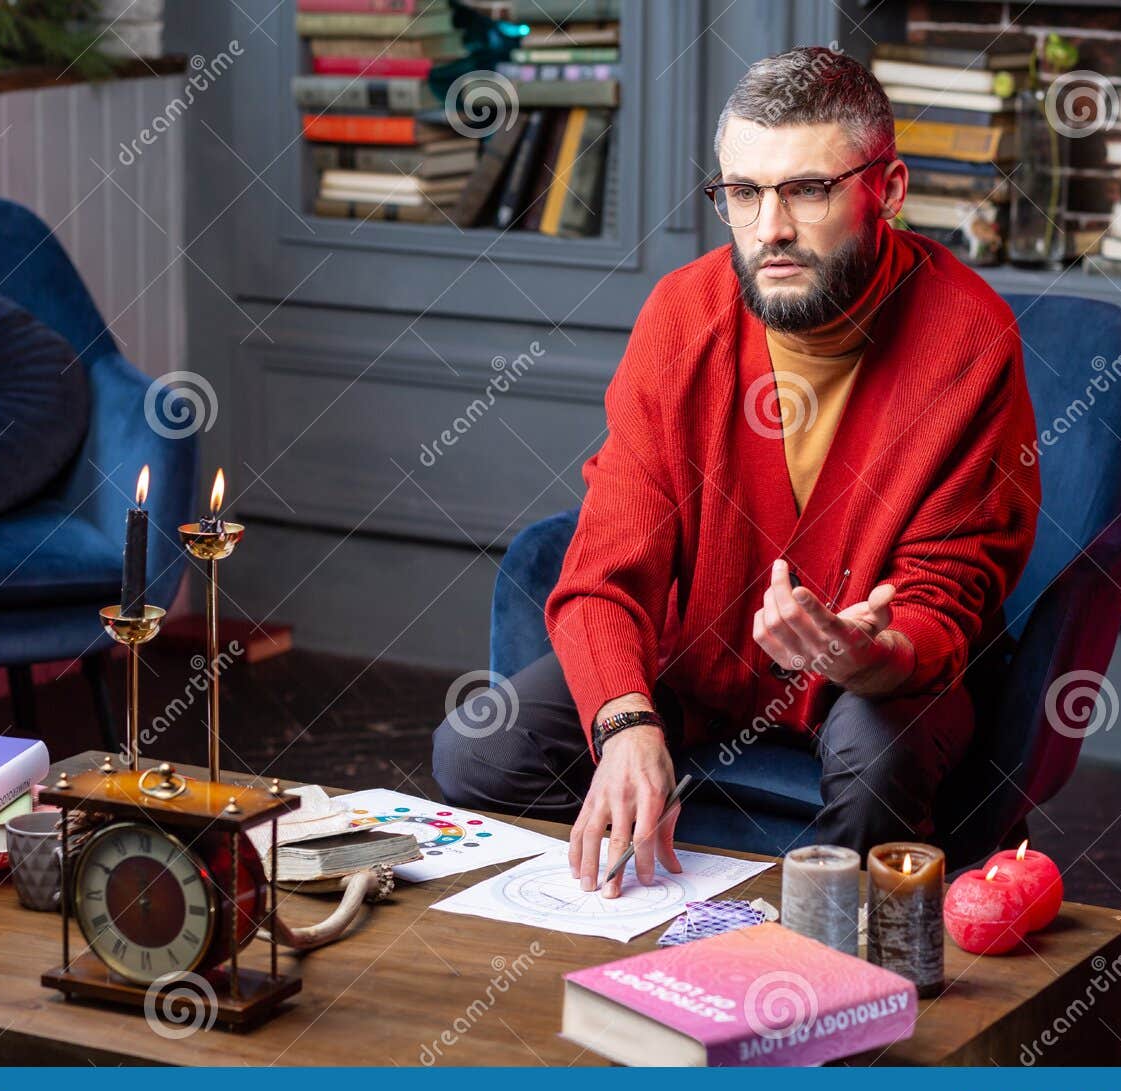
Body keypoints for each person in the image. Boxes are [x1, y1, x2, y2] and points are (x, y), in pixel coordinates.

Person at [434, 47, 1040, 897]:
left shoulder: (969, 341)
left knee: (879, 767)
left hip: (880, 685)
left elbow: (948, 597)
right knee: (475, 750)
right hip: (699, 670)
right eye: (744, 193)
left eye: (809, 189)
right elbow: (603, 570)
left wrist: (867, 652)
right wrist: (626, 723)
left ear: (889, 189)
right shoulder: (681, 316)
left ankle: (807, 960)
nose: (770, 229)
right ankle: (632, 926)